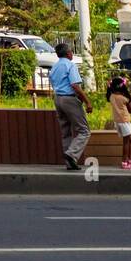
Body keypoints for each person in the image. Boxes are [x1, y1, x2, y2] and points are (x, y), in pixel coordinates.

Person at [50, 41, 91, 170]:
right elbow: (74, 85)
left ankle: (70, 163)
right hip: (69, 99)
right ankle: (71, 154)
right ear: (69, 53)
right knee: (84, 131)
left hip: (58, 99)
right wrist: (87, 101)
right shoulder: (70, 66)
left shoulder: (54, 67)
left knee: (65, 132)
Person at [106, 74, 131, 170]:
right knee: (126, 142)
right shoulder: (123, 98)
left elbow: (110, 89)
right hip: (125, 120)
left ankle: (129, 160)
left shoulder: (111, 96)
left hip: (119, 121)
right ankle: (124, 161)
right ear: (122, 86)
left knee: (130, 140)